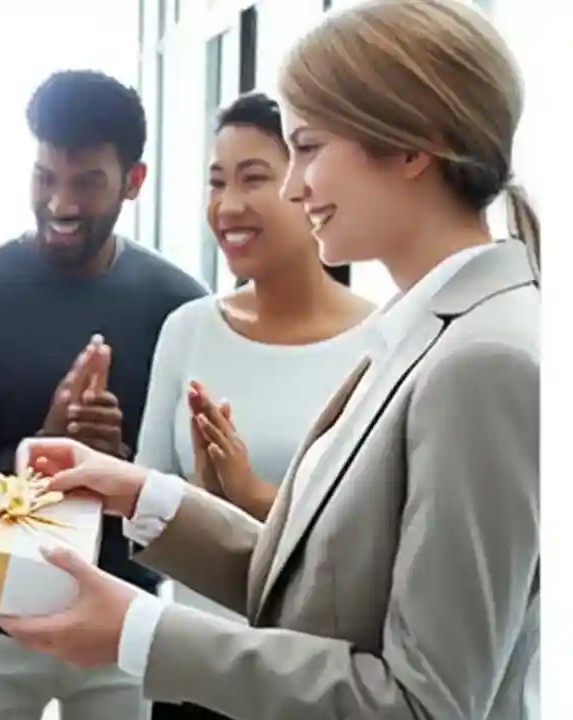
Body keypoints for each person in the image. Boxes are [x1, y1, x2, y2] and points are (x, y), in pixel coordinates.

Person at [0, 2, 541, 718]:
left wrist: (140, 632)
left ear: (415, 147)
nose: (293, 187)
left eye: (309, 148)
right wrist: (141, 494)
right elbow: (319, 587)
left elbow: (421, 703)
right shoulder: (424, 329)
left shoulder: (485, 359)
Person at [0, 70, 208, 720]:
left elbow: (189, 498)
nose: (60, 203)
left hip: (120, 627)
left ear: (134, 181)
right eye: (45, 177)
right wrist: (38, 456)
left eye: (86, 182)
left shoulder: (180, 309)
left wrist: (116, 464)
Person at [134, 90, 376, 720]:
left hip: (317, 682)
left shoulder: (384, 341)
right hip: (194, 672)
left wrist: (257, 497)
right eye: (217, 181)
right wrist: (198, 495)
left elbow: (377, 546)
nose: (228, 205)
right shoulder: (187, 327)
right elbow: (146, 504)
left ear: (305, 184)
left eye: (253, 178)